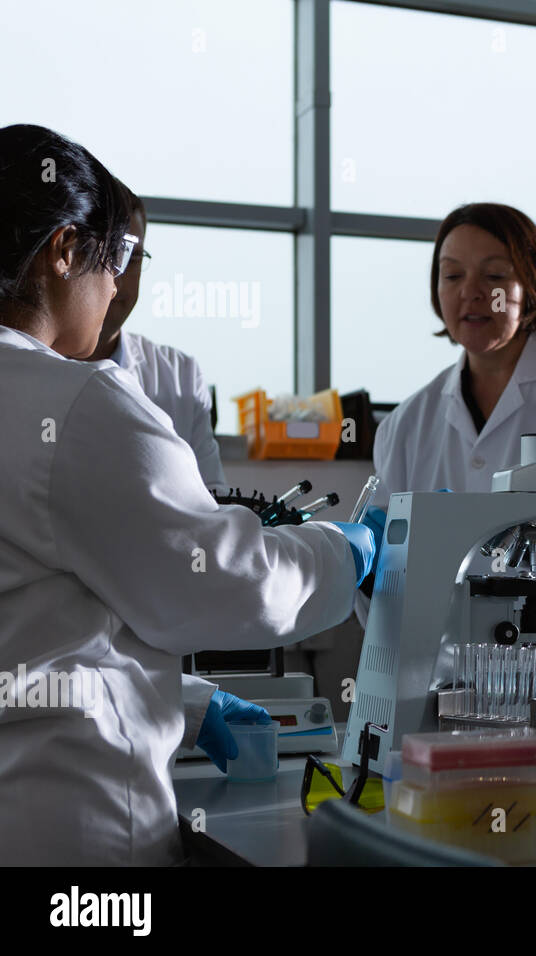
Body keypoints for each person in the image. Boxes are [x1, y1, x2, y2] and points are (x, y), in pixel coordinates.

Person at [0, 124, 377, 865]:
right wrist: (344, 553)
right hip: (74, 822)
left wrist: (194, 702)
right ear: (66, 250)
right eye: (113, 266)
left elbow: (37, 616)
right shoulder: (74, 403)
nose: (115, 295)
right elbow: (226, 580)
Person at [361, 203, 536, 689]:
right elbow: (390, 574)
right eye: (451, 276)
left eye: (493, 275)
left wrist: (479, 554)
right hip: (451, 682)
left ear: (530, 286)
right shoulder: (406, 423)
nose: (470, 293)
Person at [85, 180, 225, 486]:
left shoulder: (180, 377)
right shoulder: (29, 369)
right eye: (107, 255)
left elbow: (213, 502)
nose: (116, 280)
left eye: (132, 259)